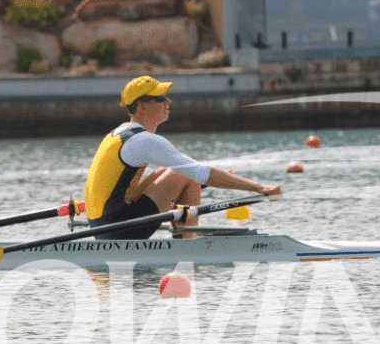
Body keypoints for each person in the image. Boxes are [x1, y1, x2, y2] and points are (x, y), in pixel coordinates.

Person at [84, 75, 281, 239]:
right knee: (184, 173)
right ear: (142, 108)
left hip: (103, 226)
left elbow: (129, 193)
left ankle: (184, 237)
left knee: (168, 171)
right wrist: (258, 187)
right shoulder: (144, 140)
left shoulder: (118, 134)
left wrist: (207, 180)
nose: (167, 101)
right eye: (160, 98)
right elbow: (199, 172)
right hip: (116, 230)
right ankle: (189, 243)